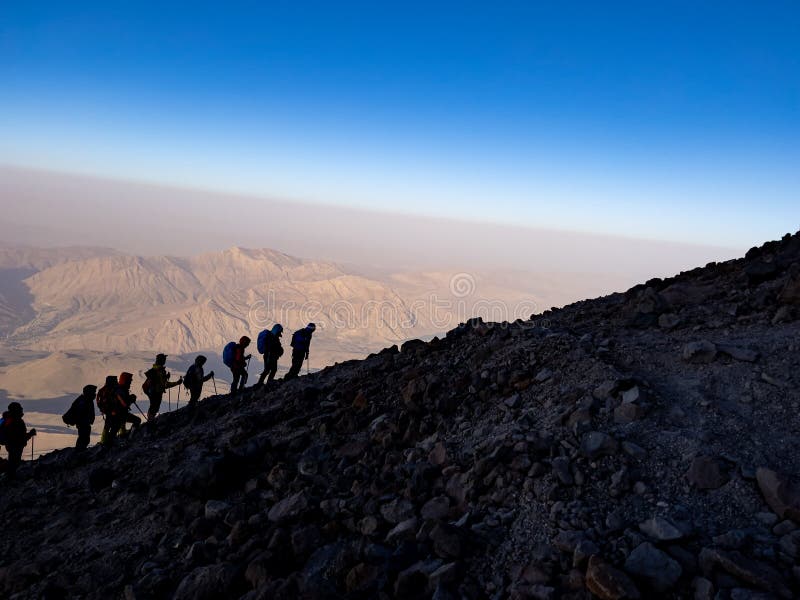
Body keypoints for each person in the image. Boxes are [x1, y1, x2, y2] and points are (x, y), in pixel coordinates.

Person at [1, 402, 36, 480]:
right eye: (20, 409)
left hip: (11, 445)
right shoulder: (17, 421)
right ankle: (10, 480)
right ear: (16, 410)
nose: (21, 410)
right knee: (14, 463)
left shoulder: (9, 420)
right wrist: (30, 434)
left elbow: (18, 437)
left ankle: (9, 479)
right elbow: (20, 438)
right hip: (15, 446)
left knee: (12, 462)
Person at [144, 353, 183, 420]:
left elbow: (160, 381)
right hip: (156, 391)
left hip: (152, 391)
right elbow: (165, 384)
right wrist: (177, 383)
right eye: (164, 359)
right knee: (155, 406)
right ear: (161, 360)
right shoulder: (160, 371)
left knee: (153, 406)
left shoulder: (155, 369)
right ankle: (150, 420)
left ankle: (150, 419)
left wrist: (165, 377)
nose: (165, 361)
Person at [65, 384, 96, 450]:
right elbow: (80, 412)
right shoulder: (84, 400)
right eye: (93, 392)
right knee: (83, 438)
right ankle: (79, 453)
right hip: (83, 423)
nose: (95, 393)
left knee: (84, 438)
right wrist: (83, 421)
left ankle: (80, 451)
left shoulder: (86, 399)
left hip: (84, 422)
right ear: (89, 392)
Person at [115, 372, 141, 437]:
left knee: (124, 421)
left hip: (119, 413)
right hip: (120, 413)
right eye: (129, 380)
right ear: (125, 381)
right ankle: (130, 436)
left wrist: (130, 399)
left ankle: (123, 433)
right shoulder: (121, 390)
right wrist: (131, 399)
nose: (130, 382)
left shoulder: (121, 389)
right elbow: (125, 404)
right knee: (137, 420)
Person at [97, 375, 121, 447]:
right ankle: (109, 441)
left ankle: (104, 440)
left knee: (108, 425)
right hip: (112, 411)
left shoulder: (104, 390)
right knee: (115, 425)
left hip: (108, 411)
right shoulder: (110, 390)